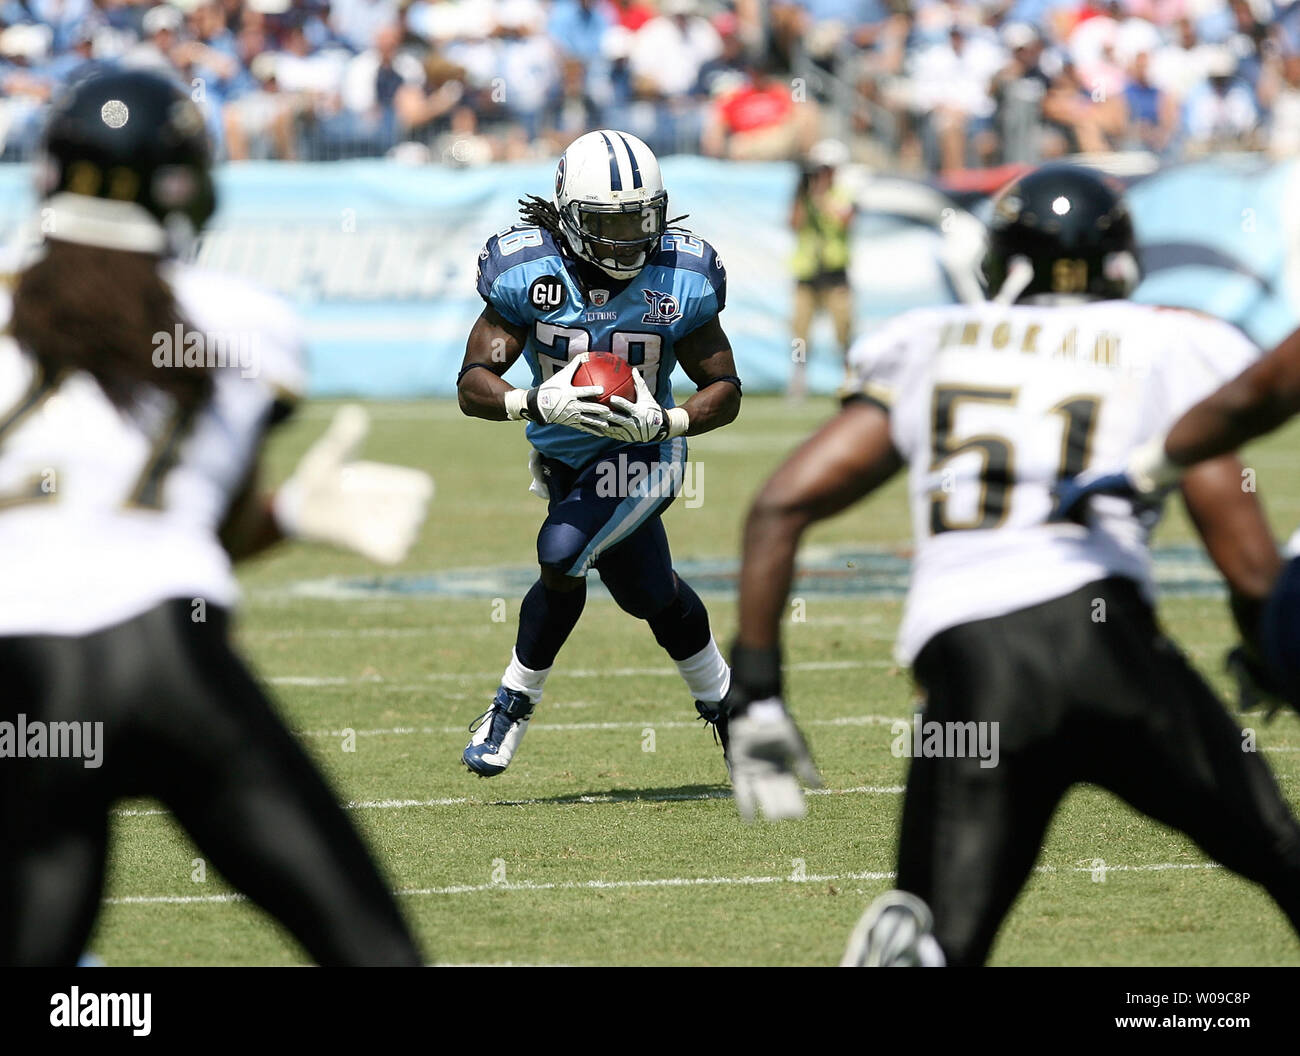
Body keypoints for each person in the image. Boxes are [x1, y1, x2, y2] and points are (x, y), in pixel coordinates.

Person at [722, 164, 1300, 966]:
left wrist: (755, 694)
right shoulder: (1170, 341)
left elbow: (780, 507)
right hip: (1107, 653)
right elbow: (1243, 559)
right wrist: (1271, 652)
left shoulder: (933, 341)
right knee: (1284, 859)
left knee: (943, 935)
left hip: (969, 664)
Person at [0, 71, 433, 966]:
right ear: (186, 182)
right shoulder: (247, 323)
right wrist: (294, 513)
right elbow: (186, 522)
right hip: (170, 660)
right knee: (373, 955)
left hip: (22, 682)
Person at [455, 129, 741, 777]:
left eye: (643, 220)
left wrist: (665, 421)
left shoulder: (682, 277)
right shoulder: (527, 272)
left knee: (561, 552)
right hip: (562, 457)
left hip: (646, 453)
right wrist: (533, 403)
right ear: (569, 217)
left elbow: (724, 389)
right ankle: (730, 707)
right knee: (649, 592)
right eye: (610, 224)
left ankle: (511, 707)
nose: (629, 239)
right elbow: (473, 384)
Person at [788, 139, 854, 401]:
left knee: (843, 332)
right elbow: (794, 224)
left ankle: (850, 380)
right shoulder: (804, 195)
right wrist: (803, 196)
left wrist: (819, 196)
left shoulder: (843, 194)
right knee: (800, 335)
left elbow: (843, 221)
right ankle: (798, 384)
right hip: (807, 273)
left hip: (835, 273)